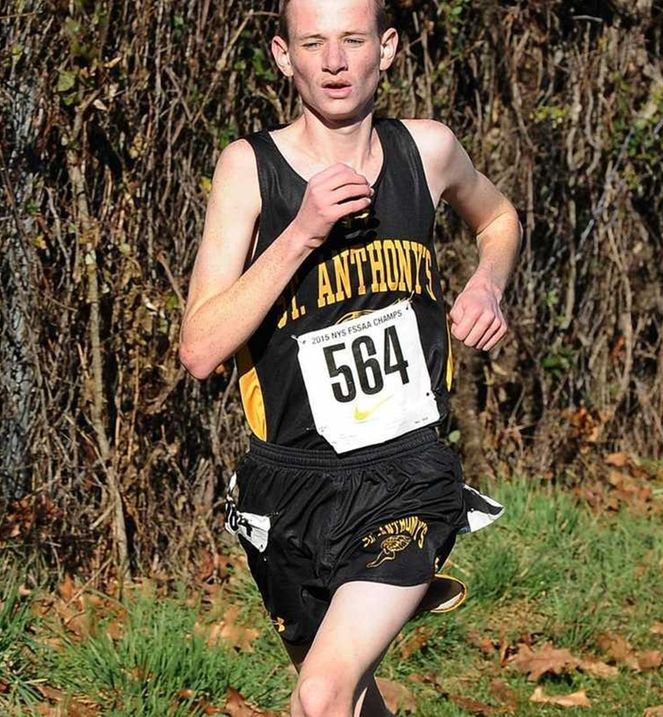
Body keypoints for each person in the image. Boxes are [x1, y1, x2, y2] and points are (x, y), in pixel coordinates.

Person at [179, 0, 520, 714]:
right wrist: (301, 230)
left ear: (387, 48)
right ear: (283, 55)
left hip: (406, 473)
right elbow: (202, 348)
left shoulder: (426, 151)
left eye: (353, 40)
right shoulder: (249, 169)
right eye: (313, 43)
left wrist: (487, 284)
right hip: (289, 485)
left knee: (320, 695)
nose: (334, 62)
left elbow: (497, 218)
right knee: (348, 698)